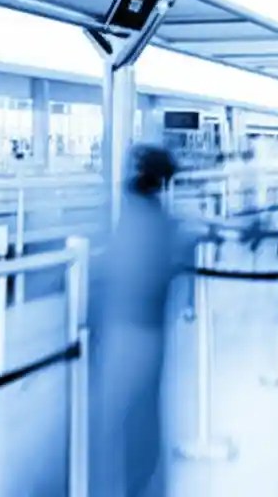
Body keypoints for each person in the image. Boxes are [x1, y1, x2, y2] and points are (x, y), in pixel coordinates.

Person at [89, 145, 191, 497]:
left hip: (128, 329)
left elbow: (123, 275)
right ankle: (142, 485)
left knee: (120, 415)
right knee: (141, 414)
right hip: (147, 330)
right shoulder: (160, 221)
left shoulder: (134, 218)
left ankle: (125, 485)